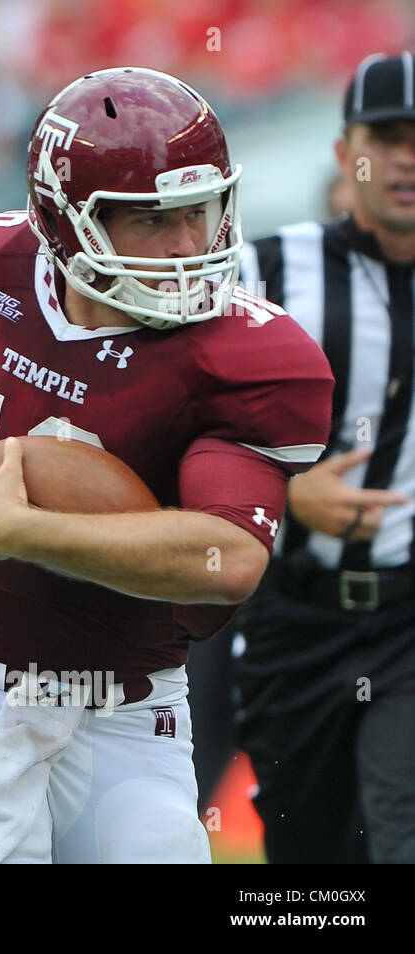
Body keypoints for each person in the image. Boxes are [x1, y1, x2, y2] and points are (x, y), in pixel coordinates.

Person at [0, 68, 332, 864]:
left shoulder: (250, 355)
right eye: (153, 220)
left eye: (199, 210)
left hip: (129, 709)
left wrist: (29, 531)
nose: (189, 244)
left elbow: (229, 558)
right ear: (62, 221)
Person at [233, 51, 415, 864]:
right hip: (293, 609)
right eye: (388, 136)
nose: (408, 156)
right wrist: (287, 493)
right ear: (346, 154)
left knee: (399, 829)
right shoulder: (262, 272)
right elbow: (182, 424)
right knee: (305, 860)